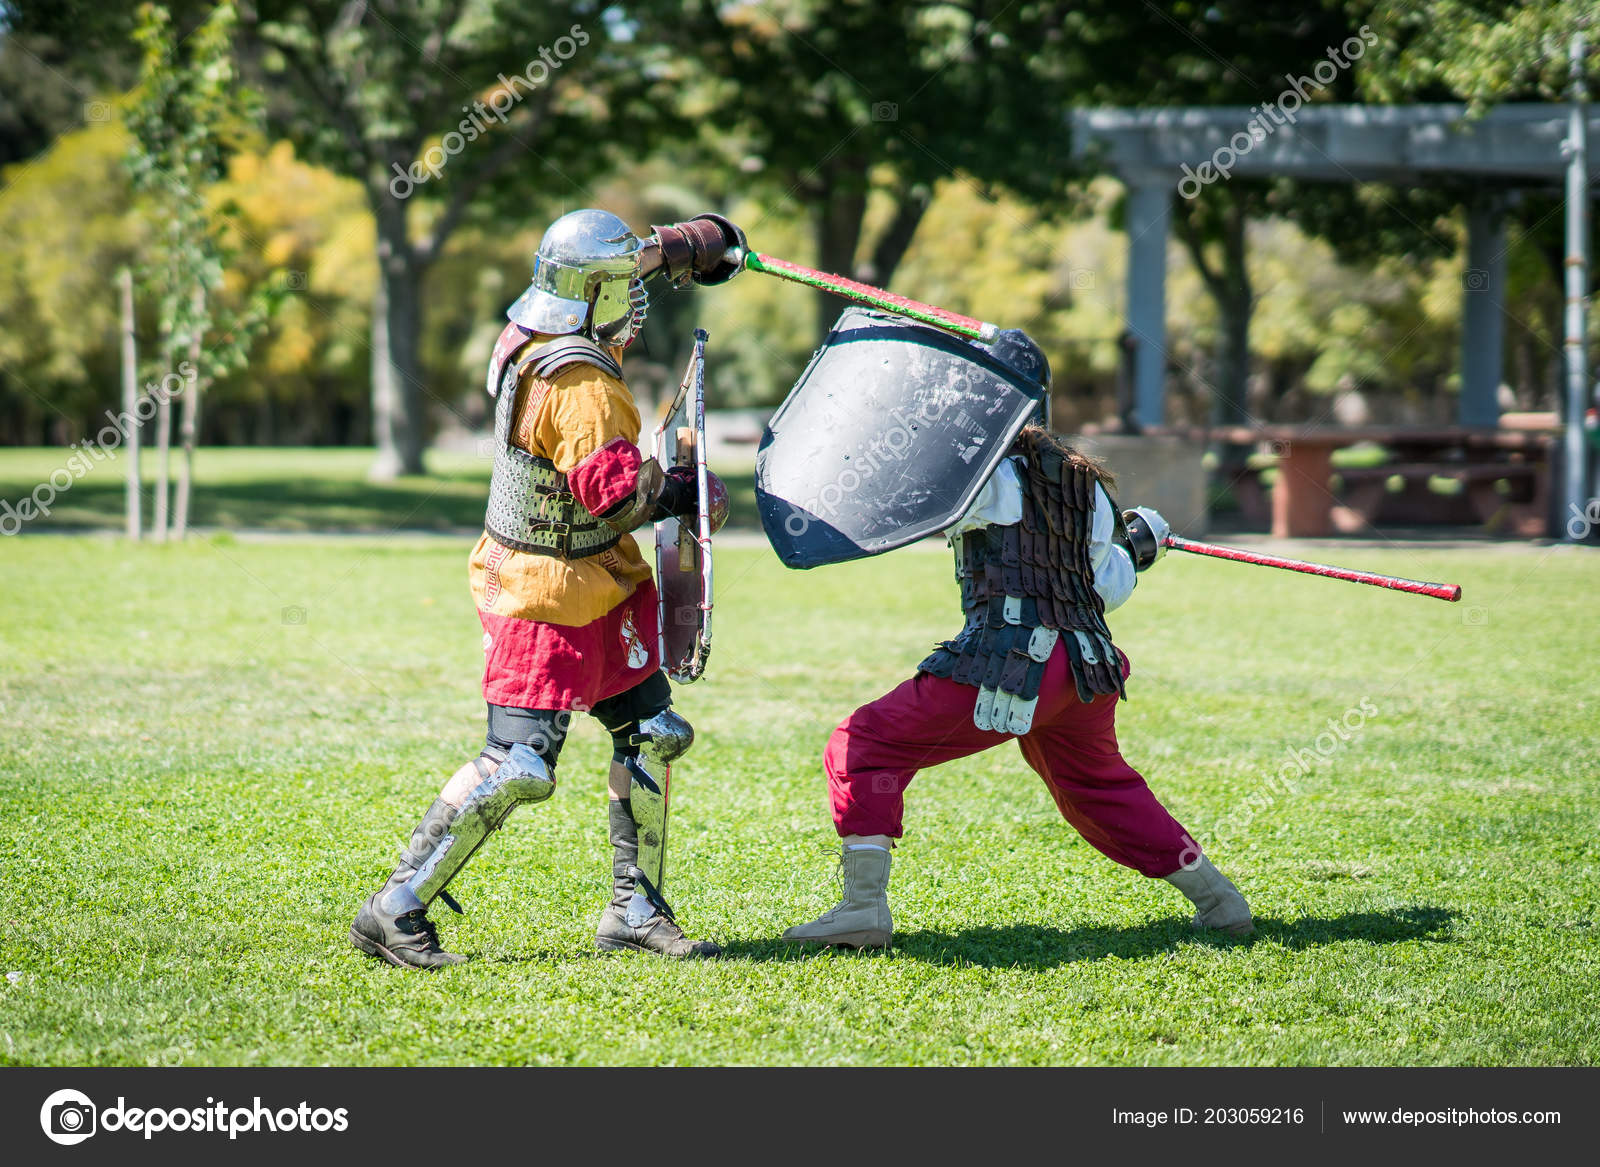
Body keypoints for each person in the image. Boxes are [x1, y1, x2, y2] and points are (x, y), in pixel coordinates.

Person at [350, 208, 741, 968]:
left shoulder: (532, 328)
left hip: (598, 581)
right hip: (543, 591)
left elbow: (602, 273)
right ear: (596, 295)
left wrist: (684, 246)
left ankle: (635, 909)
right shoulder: (582, 384)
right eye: (625, 285)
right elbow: (614, 494)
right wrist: (689, 491)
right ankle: (394, 907)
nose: (636, 298)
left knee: (653, 732)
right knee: (518, 764)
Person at [782, 425, 1254, 949]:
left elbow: (903, 502)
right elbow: (1105, 588)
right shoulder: (1088, 488)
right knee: (1100, 789)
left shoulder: (979, 475)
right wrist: (1135, 551)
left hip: (1011, 663)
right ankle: (1219, 901)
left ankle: (862, 909)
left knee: (864, 744)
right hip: (1085, 669)